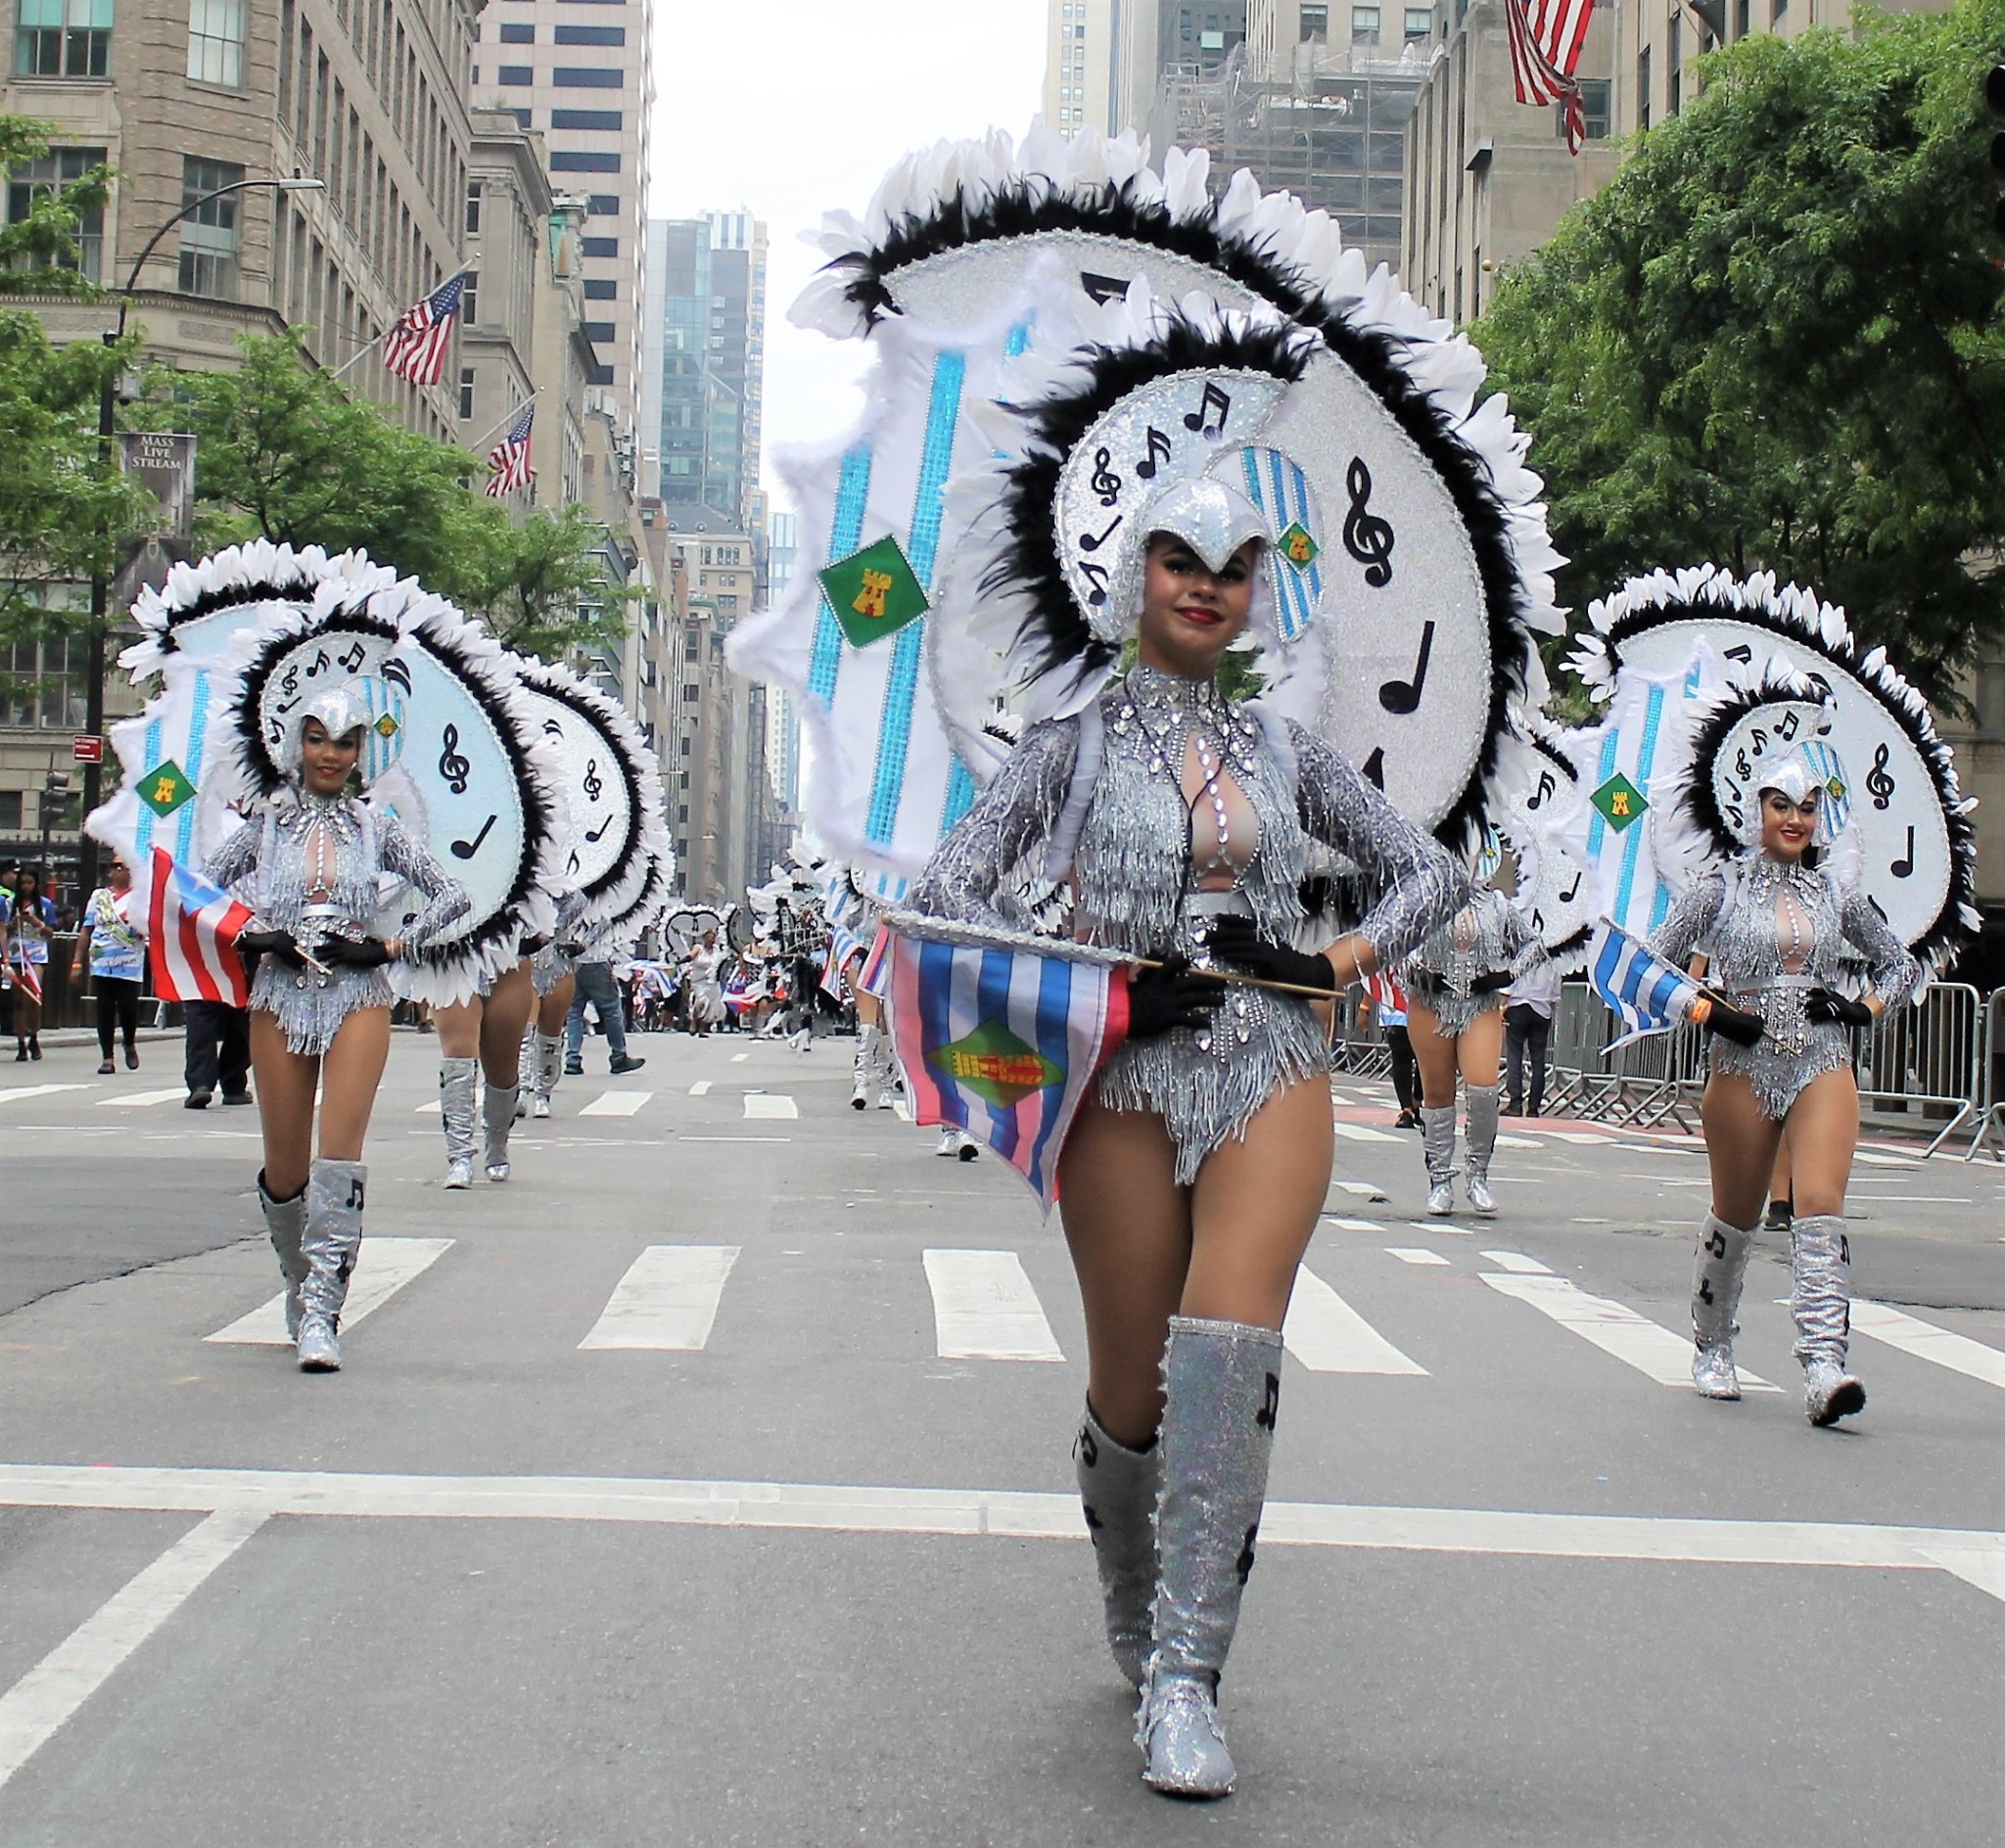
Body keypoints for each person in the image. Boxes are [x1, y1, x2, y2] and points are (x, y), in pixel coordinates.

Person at [910, 486, 1462, 1798]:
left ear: (1257, 590)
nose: (1205, 586)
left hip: (1270, 1059)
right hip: (1121, 1074)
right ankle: (1133, 1584)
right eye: (1179, 561)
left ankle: (1186, 1677)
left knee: (1230, 1346)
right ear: (1135, 577)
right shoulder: (1068, 748)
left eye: (1232, 567)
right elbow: (945, 893)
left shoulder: (1290, 749)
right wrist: (1094, 981)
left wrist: (1323, 961)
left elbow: (1432, 871)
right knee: (1136, 1392)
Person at [1652, 742, 1919, 1426]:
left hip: (1821, 1056)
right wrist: (1712, 1011)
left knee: (1820, 1203)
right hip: (1742, 1063)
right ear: (1757, 811)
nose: (1795, 819)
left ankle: (1824, 1365)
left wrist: (1863, 1009)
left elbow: (1900, 966)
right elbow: (1647, 966)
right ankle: (1712, 1345)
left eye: (1807, 808)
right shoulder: (1720, 888)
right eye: (1781, 806)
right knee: (1737, 1216)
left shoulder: (1837, 891)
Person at [207, 684, 467, 1370]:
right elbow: (197, 886)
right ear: (298, 744)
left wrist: (388, 948)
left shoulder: (377, 828)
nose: (330, 754)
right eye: (318, 738)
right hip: (278, 996)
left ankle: (324, 1310)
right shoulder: (264, 824)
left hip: (358, 994)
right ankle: (299, 1282)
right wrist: (251, 934)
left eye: (344, 742)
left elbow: (452, 893)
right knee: (286, 1169)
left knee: (338, 1159)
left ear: (360, 752)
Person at [1402, 886, 1542, 1216]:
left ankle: (1478, 1176)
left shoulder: (1496, 903)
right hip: (1429, 1003)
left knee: (1482, 1088)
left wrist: (1506, 975)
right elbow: (1387, 946)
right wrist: (1414, 972)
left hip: (1480, 1003)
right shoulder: (1418, 896)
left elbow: (1533, 944)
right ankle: (1440, 1180)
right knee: (1437, 1093)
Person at [70, 854, 146, 1074]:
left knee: (128, 1008)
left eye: (124, 866)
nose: (119, 870)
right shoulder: (99, 897)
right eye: (115, 866)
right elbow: (86, 930)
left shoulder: (140, 897)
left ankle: (129, 1042)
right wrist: (77, 961)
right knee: (104, 1008)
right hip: (102, 961)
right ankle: (107, 1057)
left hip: (130, 963)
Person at [566, 930, 646, 1075]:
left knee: (574, 1011)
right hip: (597, 961)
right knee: (612, 1010)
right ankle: (618, 1056)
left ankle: (572, 1059)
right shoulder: (600, 908)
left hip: (573, 961)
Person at [1502, 951, 1563, 1119]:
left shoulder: (1520, 958)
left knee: (1514, 1055)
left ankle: (1515, 1102)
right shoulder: (1553, 962)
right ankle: (1534, 1106)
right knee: (1538, 1059)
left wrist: (1501, 1008)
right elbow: (1556, 994)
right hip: (1542, 1011)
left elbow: (1507, 987)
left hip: (1518, 1007)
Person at [7, 866, 57, 1062]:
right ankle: (20, 1043)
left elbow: (51, 932)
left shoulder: (44, 905)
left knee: (34, 995)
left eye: (30, 883)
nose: (26, 887)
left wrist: (37, 922)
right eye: (23, 883)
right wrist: (14, 924)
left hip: (36, 954)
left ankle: (34, 1036)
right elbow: (4, 930)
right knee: (18, 1000)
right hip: (16, 952)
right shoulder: (10, 904)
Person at [1376, 975, 1419, 1129]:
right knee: (1400, 1055)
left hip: (1425, 998)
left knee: (1425, 1056)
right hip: (1394, 1002)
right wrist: (1364, 1007)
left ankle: (1417, 1100)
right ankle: (1406, 1109)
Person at [679, 927, 727, 1039]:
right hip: (698, 980)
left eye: (713, 937)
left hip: (712, 980)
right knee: (701, 1001)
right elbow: (691, 956)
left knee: (709, 1004)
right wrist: (681, 961)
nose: (711, 939)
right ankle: (694, 1021)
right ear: (704, 938)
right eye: (708, 937)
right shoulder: (699, 948)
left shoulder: (717, 950)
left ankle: (702, 1028)